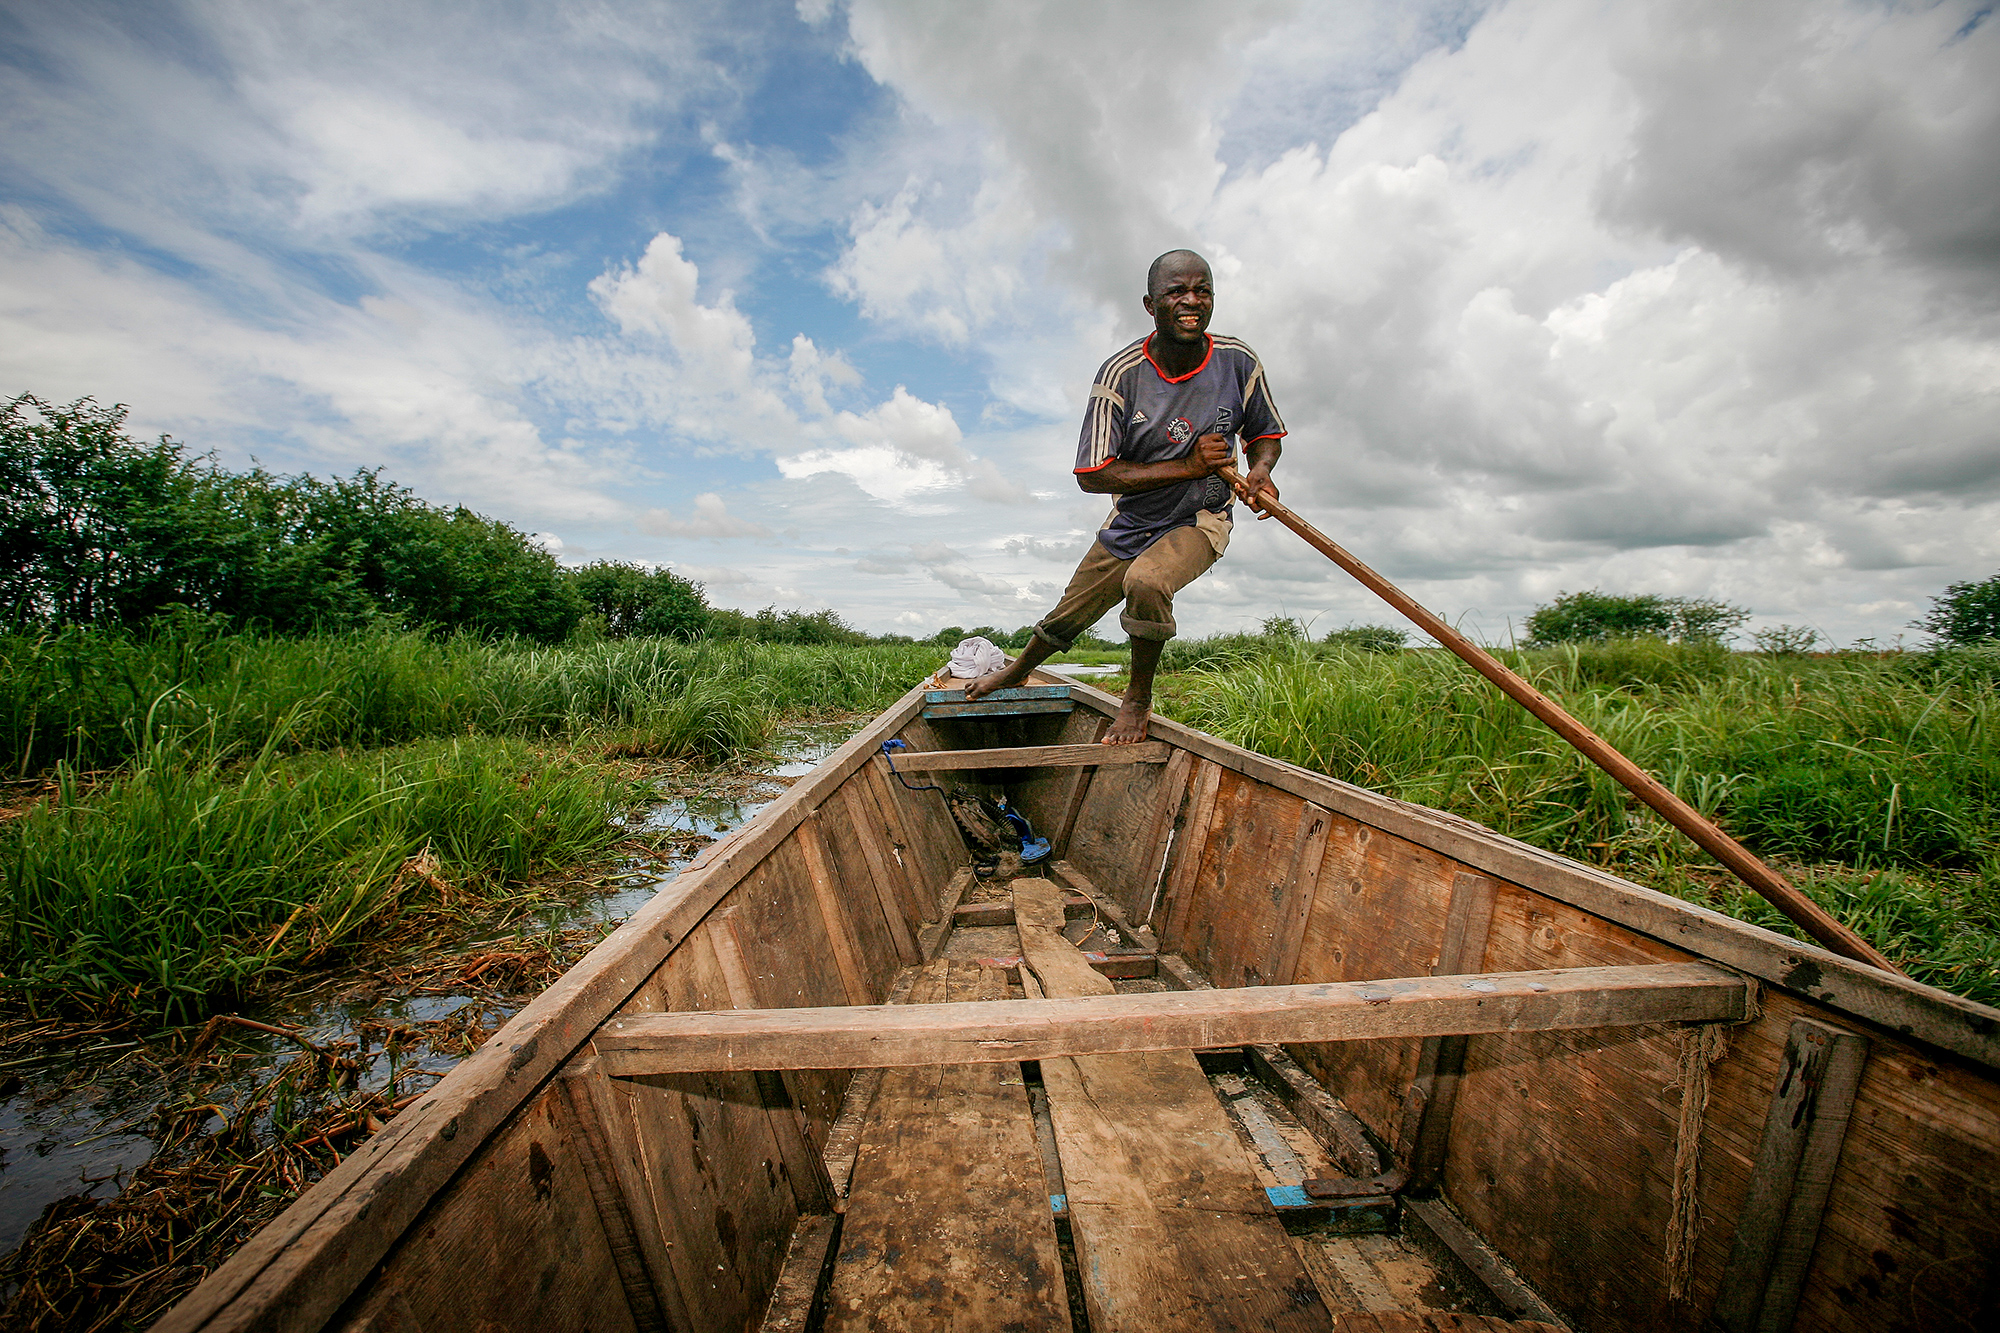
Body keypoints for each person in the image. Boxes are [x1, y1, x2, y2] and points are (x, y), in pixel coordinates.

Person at [964, 249, 1283, 742]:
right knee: (1068, 614)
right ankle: (1015, 669)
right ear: (1150, 304)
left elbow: (1263, 432)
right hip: (1134, 519)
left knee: (1148, 582)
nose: (1191, 302)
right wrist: (1188, 465)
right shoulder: (1121, 374)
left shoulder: (1237, 362)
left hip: (1201, 517)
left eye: (1203, 291)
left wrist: (1260, 470)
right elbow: (1092, 474)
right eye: (1176, 292)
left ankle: (1136, 699)